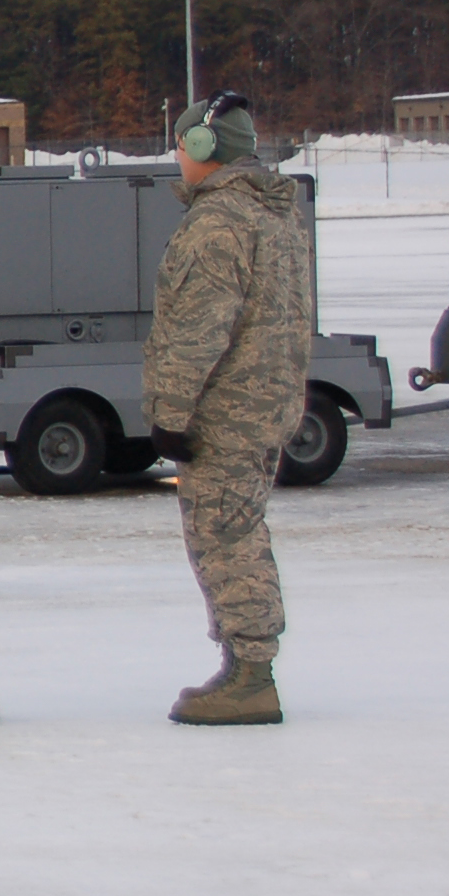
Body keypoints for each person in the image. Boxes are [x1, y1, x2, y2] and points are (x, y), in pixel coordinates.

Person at [142, 93, 310, 725]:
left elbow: (197, 327)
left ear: (206, 149)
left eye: (182, 144)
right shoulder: (273, 215)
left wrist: (170, 412)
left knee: (225, 538)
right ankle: (247, 664)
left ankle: (251, 674)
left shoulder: (218, 221)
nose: (178, 156)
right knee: (239, 530)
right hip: (264, 404)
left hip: (225, 413)